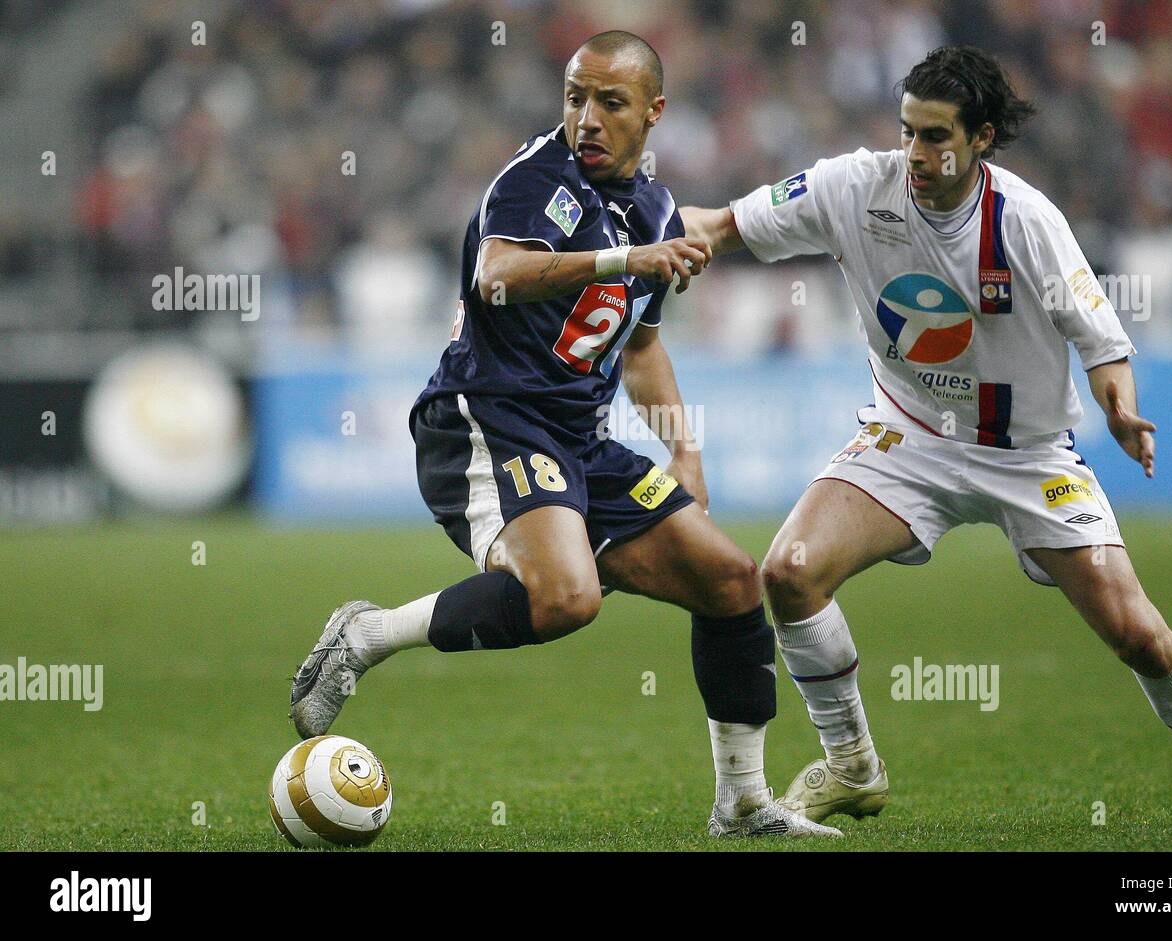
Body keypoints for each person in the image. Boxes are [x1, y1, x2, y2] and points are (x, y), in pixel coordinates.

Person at [681, 45, 1172, 832]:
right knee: (790, 571)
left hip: (1028, 453)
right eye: (908, 132)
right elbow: (724, 224)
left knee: (1137, 632)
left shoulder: (1029, 221)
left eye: (936, 136)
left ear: (982, 138)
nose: (916, 154)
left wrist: (1118, 407)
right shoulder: (850, 187)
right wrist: (646, 235)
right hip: (909, 439)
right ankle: (852, 765)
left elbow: (1102, 342)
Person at [289, 30, 839, 839]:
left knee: (729, 579)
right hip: (488, 419)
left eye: (609, 102)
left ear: (653, 112)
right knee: (566, 597)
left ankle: (745, 804)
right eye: (576, 96)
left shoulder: (652, 208)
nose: (587, 116)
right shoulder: (533, 181)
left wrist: (684, 447)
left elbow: (641, 345)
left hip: (579, 440)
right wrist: (627, 259)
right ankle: (366, 634)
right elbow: (499, 276)